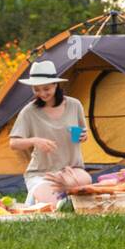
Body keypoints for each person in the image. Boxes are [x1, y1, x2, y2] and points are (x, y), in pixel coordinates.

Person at [7, 60, 91, 204]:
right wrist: (35, 141)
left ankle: (65, 192)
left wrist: (84, 136)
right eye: (36, 89)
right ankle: (45, 196)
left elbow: (83, 133)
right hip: (42, 173)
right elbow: (13, 143)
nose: (42, 94)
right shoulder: (29, 111)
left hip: (71, 169)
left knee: (85, 182)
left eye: (46, 89)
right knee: (53, 204)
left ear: (55, 84)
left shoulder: (74, 105)